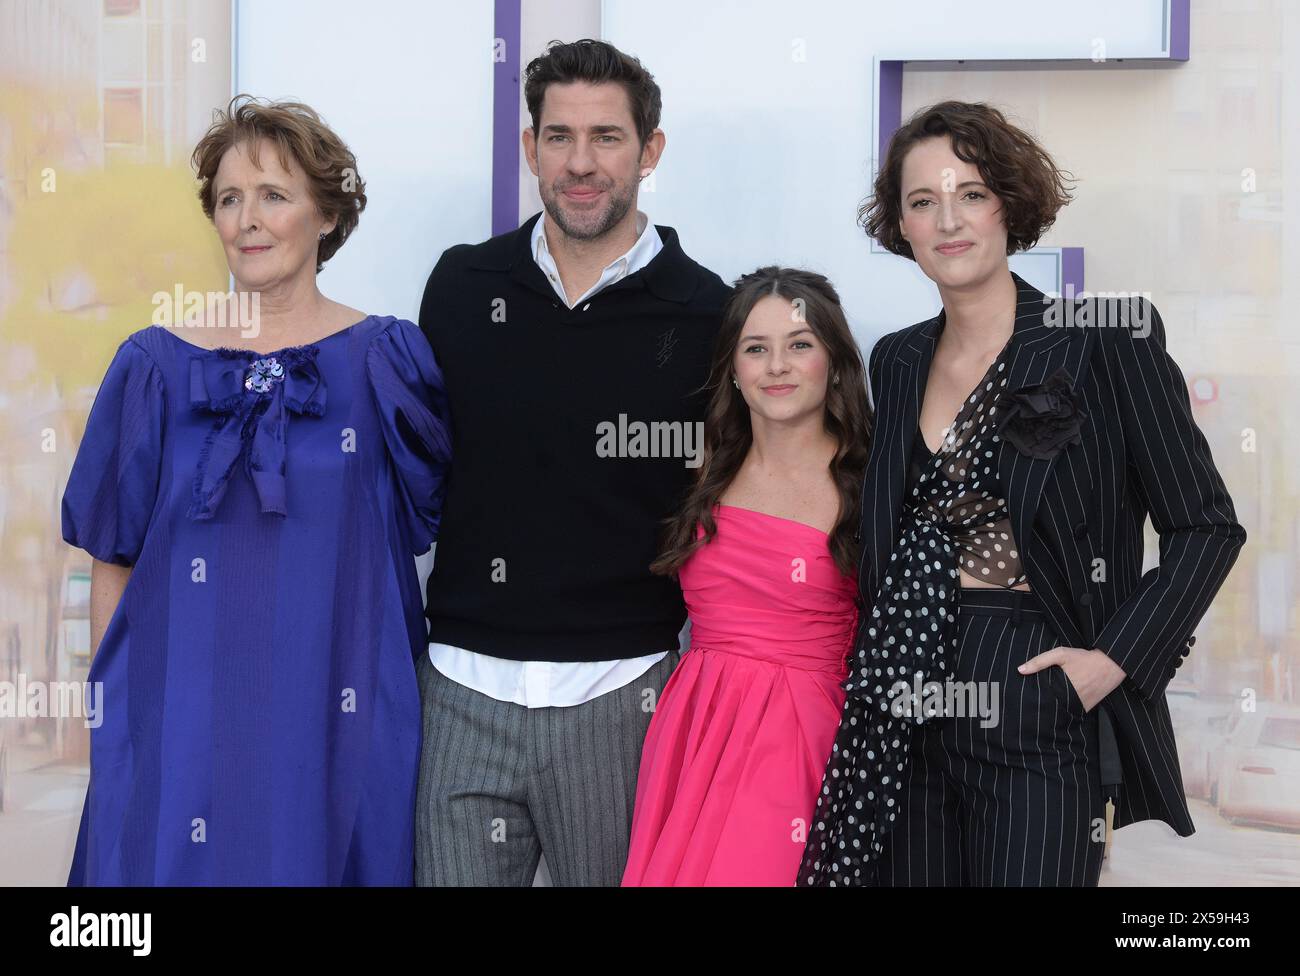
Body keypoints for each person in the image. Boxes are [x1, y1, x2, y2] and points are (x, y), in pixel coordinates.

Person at [799, 100, 1246, 887]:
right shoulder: (897, 360)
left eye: (971, 193)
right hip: (902, 692)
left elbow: (1205, 527)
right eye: (922, 201)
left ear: (1010, 202)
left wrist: (1109, 662)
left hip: (1037, 681)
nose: (949, 220)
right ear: (899, 225)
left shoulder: (1105, 337)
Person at [61, 96, 450, 885]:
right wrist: (113, 717)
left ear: (328, 216)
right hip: (181, 715)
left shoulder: (386, 362)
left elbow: (413, 538)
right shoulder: (153, 366)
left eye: (273, 195)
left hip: (334, 713)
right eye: (229, 199)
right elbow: (114, 555)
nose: (248, 219)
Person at [413, 39, 729, 886]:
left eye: (607, 137)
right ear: (530, 149)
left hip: (624, 696)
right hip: (459, 690)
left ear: (649, 150)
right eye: (558, 137)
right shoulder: (459, 285)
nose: (580, 164)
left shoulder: (712, 314)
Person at [621, 267, 871, 886]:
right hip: (694, 728)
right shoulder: (702, 466)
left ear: (834, 361)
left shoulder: (873, 482)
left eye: (800, 345)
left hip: (804, 738)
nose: (777, 366)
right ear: (733, 367)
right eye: (756, 349)